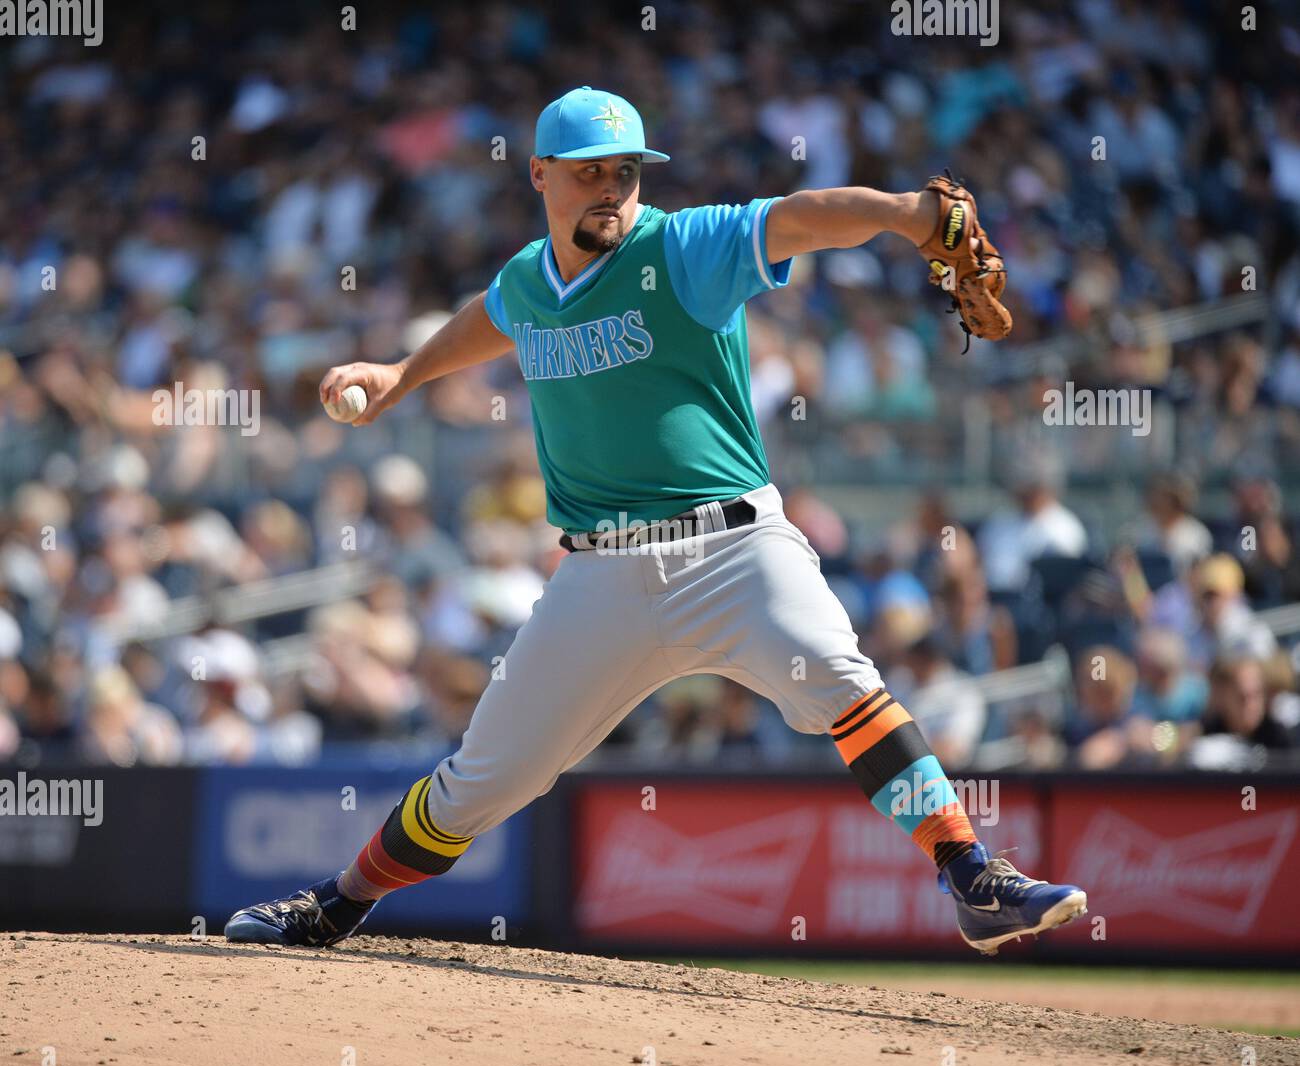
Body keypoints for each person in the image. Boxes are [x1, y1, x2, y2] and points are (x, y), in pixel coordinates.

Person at [224, 87, 1086, 956]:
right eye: (589, 171)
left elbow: (800, 217)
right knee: (479, 783)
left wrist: (905, 215)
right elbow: (492, 320)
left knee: (842, 680)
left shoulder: (682, 247)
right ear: (539, 174)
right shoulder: (529, 280)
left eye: (627, 171)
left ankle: (973, 874)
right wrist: (402, 373)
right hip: (599, 577)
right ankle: (336, 903)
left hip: (735, 548)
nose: (610, 188)